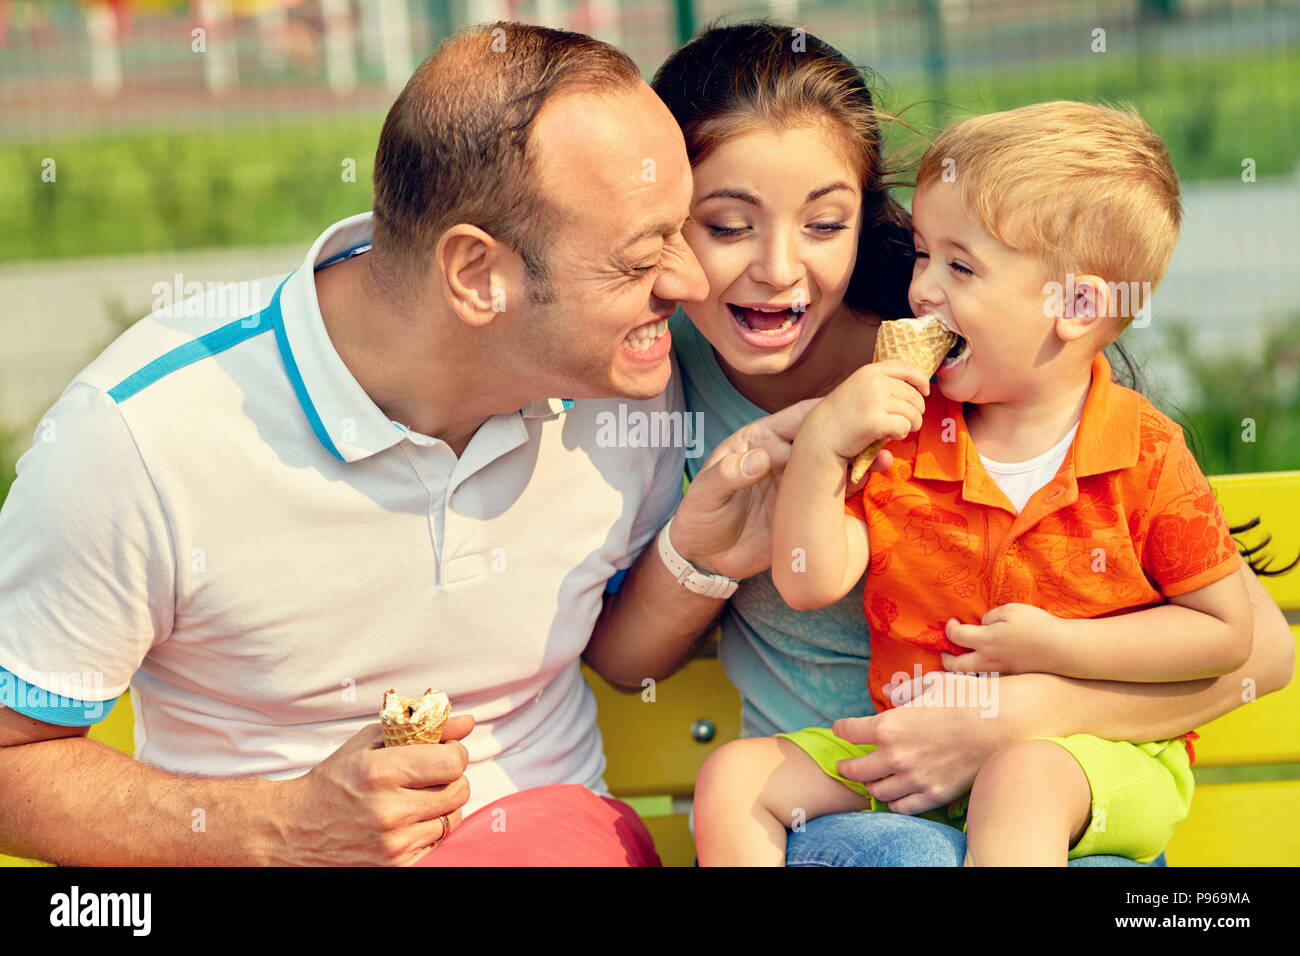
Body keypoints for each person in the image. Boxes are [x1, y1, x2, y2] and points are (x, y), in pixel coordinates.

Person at [0, 21, 796, 867]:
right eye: (639, 260)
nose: (689, 281)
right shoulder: (142, 435)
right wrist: (279, 829)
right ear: (475, 275)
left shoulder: (632, 385)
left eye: (683, 230)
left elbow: (615, 643)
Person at [651, 22, 1295, 866]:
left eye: (959, 268)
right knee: (734, 779)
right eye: (921, 255)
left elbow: (1233, 641)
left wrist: (1053, 659)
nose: (919, 290)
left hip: (1085, 762)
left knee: (1019, 782)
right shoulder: (915, 426)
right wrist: (821, 450)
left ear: (1074, 307)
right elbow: (814, 582)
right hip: (909, 747)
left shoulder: (1138, 451)